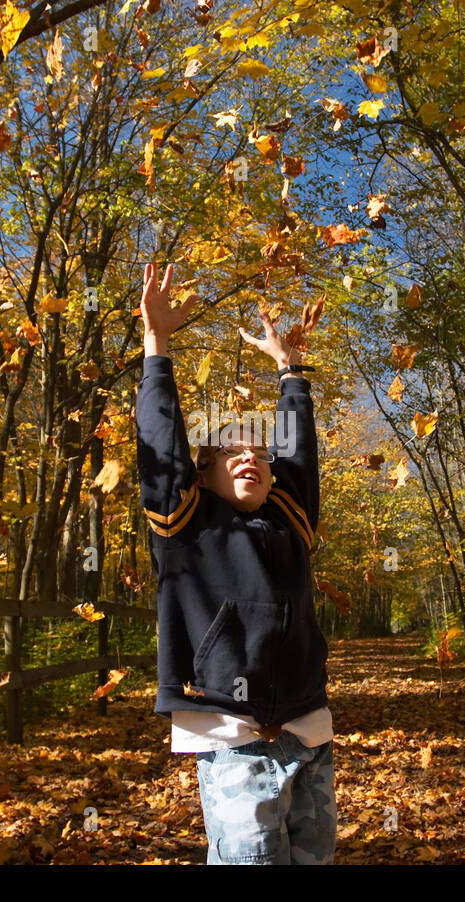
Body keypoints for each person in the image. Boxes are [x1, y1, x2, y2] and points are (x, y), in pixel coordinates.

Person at [134, 262, 335, 865]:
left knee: (313, 859)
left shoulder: (290, 521)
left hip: (307, 728)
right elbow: (162, 447)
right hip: (230, 736)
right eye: (231, 452)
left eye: (259, 453)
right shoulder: (184, 522)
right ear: (202, 472)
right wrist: (157, 344)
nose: (250, 458)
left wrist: (289, 371)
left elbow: (299, 456)